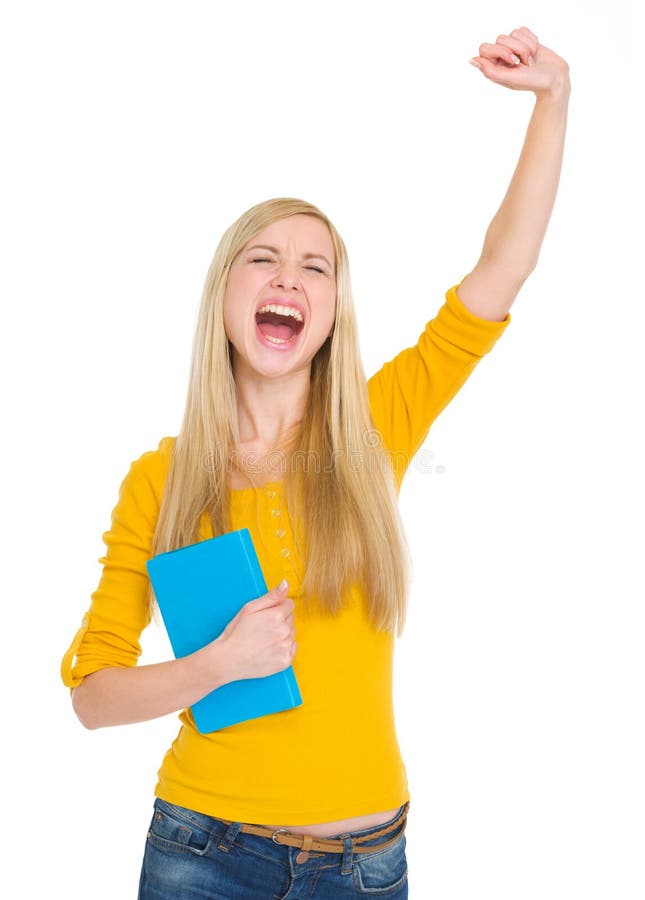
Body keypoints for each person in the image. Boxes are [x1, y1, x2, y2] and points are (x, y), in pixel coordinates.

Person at [60, 25, 570, 899]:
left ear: (332, 312)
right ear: (224, 295)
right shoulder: (160, 478)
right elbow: (92, 695)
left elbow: (503, 269)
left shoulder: (373, 429)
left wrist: (553, 101)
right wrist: (218, 664)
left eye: (314, 268)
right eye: (262, 259)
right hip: (200, 854)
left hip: (365, 867)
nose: (287, 278)